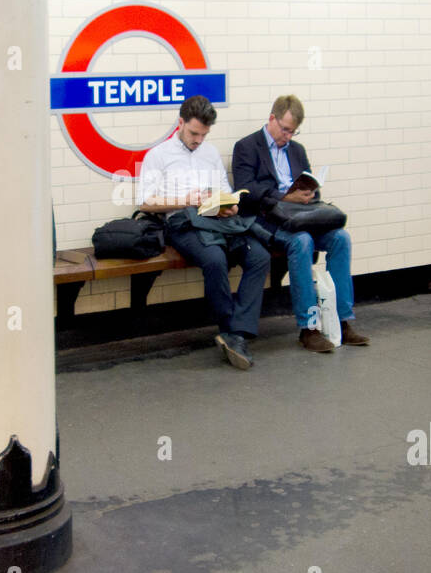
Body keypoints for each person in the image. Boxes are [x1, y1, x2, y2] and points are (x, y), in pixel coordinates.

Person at [138, 95, 270, 370]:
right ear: (180, 123)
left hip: (217, 219)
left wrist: (229, 206)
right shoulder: (158, 155)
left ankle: (237, 332)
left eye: (203, 134)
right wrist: (188, 200)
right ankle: (228, 328)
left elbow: (224, 190)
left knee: (259, 255)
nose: (198, 140)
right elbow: (145, 201)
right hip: (182, 222)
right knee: (214, 259)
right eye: (193, 133)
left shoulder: (209, 153)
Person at [232, 95, 369, 353]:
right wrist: (283, 196)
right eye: (284, 129)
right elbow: (244, 190)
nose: (287, 136)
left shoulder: (297, 150)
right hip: (267, 220)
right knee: (302, 242)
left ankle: (343, 321)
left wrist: (309, 194)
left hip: (300, 217)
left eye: (293, 132)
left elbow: (308, 185)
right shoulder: (247, 147)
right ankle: (309, 327)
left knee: (341, 238)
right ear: (272, 119)